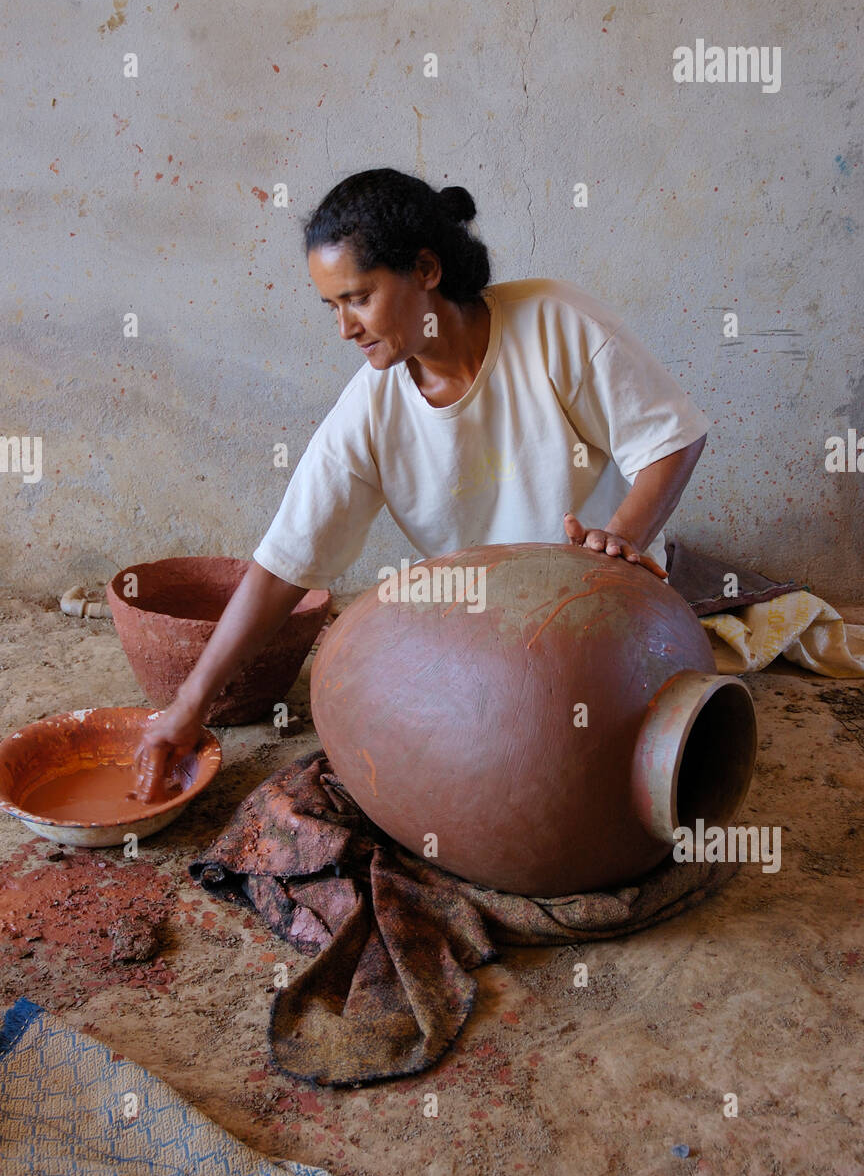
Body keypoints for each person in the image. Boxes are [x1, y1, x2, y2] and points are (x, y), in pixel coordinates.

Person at [134, 167, 708, 801]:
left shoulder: (552, 324)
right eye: (332, 306)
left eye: (358, 297)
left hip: (603, 611)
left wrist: (621, 537)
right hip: (490, 635)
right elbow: (281, 569)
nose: (345, 328)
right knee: (392, 722)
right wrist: (187, 707)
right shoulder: (370, 411)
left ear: (426, 270)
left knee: (571, 757)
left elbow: (672, 439)